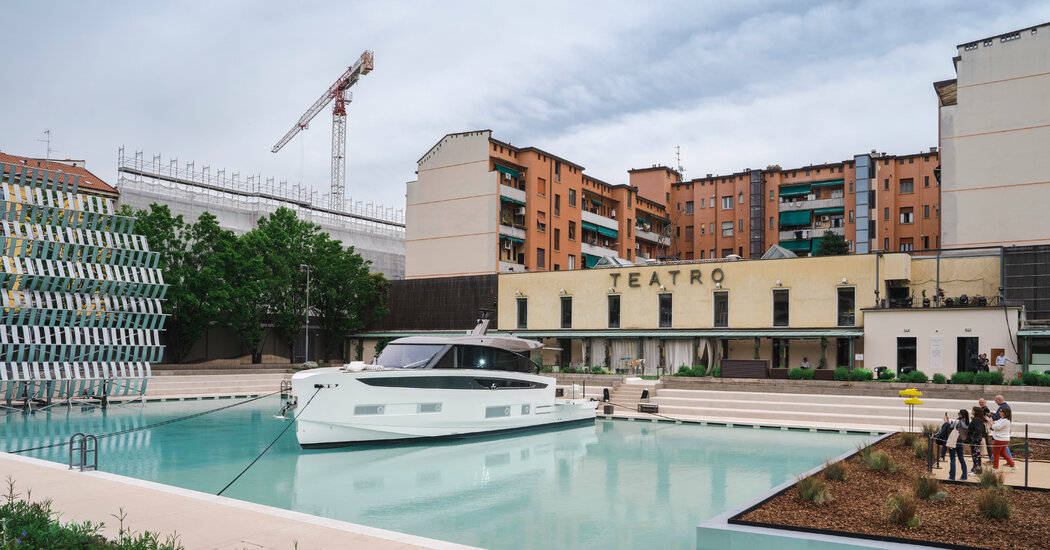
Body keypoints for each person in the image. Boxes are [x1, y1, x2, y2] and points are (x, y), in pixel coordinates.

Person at [945, 409, 970, 481]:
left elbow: (950, 427)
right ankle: (964, 475)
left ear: (961, 414)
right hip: (961, 442)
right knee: (961, 459)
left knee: (952, 459)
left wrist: (947, 421)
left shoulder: (957, 421)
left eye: (959, 413)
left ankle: (952, 476)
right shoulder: (967, 422)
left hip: (954, 442)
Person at [990, 407, 1017, 472]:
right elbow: (996, 422)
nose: (999, 413)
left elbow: (997, 427)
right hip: (1003, 439)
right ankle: (1013, 465)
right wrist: (992, 421)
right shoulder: (1002, 419)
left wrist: (992, 424)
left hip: (1000, 439)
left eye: (1001, 412)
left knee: (995, 453)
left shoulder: (1006, 421)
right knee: (1003, 453)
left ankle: (995, 468)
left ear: (1005, 413)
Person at [991, 395, 1014, 462]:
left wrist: (991, 416)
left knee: (999, 450)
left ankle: (994, 462)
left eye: (996, 401)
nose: (996, 402)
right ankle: (1011, 462)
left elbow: (997, 418)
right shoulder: (1006, 406)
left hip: (1001, 434)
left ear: (999, 399)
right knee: (1002, 450)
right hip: (1003, 433)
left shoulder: (1003, 407)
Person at [967, 405, 987, 475]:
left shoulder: (977, 420)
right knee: (974, 455)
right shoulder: (976, 419)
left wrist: (972, 437)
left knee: (976, 456)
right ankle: (974, 469)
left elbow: (978, 430)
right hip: (975, 440)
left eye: (973, 410)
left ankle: (977, 471)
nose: (972, 411)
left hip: (976, 440)